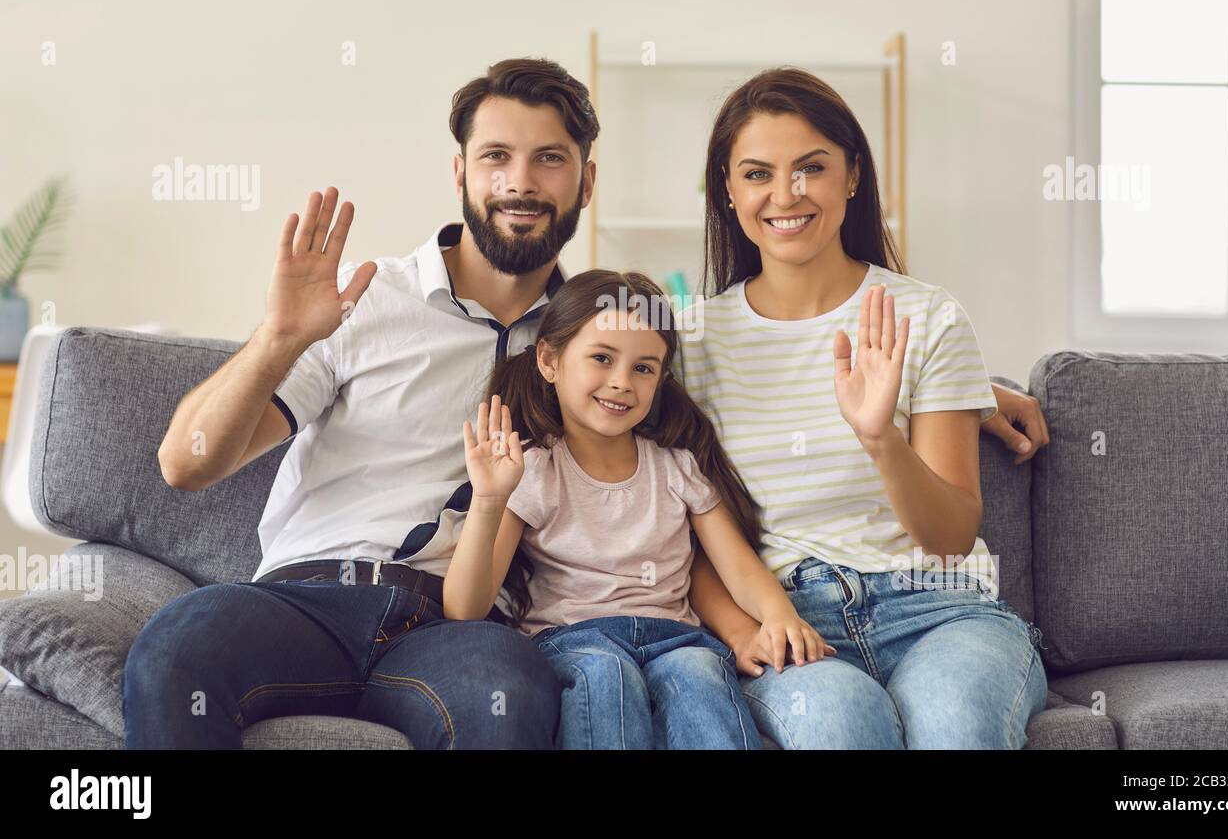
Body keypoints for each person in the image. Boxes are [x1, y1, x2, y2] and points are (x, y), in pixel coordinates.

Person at [125, 58, 602, 748]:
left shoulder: (593, 344)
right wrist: (279, 337)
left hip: (455, 630)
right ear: (460, 172)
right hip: (302, 602)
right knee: (176, 649)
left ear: (586, 180)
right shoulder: (369, 298)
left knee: (508, 697)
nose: (519, 182)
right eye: (496, 156)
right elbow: (184, 464)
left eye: (549, 159)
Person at [680, 67, 1051, 748]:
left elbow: (949, 537)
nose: (785, 194)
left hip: (941, 610)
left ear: (852, 177)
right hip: (793, 617)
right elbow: (690, 535)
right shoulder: (692, 344)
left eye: (811, 168)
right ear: (728, 191)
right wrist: (745, 631)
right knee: (839, 728)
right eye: (757, 173)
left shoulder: (928, 316)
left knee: (955, 726)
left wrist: (883, 440)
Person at [442, 270, 833, 749]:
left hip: (677, 638)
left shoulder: (677, 467)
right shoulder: (533, 470)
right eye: (602, 358)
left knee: (700, 671)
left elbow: (737, 565)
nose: (621, 383)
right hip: (576, 642)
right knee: (606, 674)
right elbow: (464, 607)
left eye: (643, 368)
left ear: (661, 379)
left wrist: (777, 616)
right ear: (549, 359)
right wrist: (487, 500)